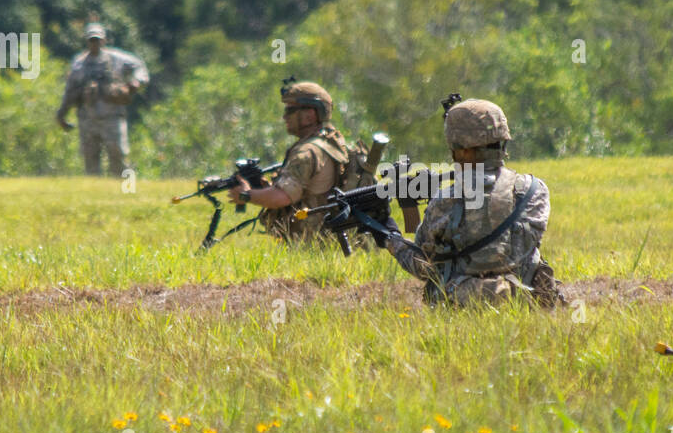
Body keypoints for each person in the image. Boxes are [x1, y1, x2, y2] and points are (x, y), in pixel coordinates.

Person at [381, 98, 561, 307]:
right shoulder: (534, 189)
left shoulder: (445, 201)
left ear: (464, 150)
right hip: (529, 302)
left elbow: (424, 265)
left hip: (467, 306)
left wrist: (391, 238)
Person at [228, 79, 351, 242]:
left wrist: (245, 195)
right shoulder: (332, 142)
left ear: (310, 115)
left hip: (313, 244)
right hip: (333, 238)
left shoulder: (306, 152)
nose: (285, 116)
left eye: (290, 110)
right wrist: (264, 187)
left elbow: (282, 198)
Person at [56, 22, 149, 177]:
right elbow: (70, 91)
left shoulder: (117, 59)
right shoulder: (79, 64)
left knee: (118, 155)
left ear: (104, 40)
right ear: (87, 41)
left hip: (112, 116)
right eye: (92, 40)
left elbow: (140, 67)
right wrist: (62, 114)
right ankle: (95, 191)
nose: (95, 43)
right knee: (90, 160)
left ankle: (121, 188)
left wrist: (136, 82)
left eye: (98, 40)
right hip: (87, 118)